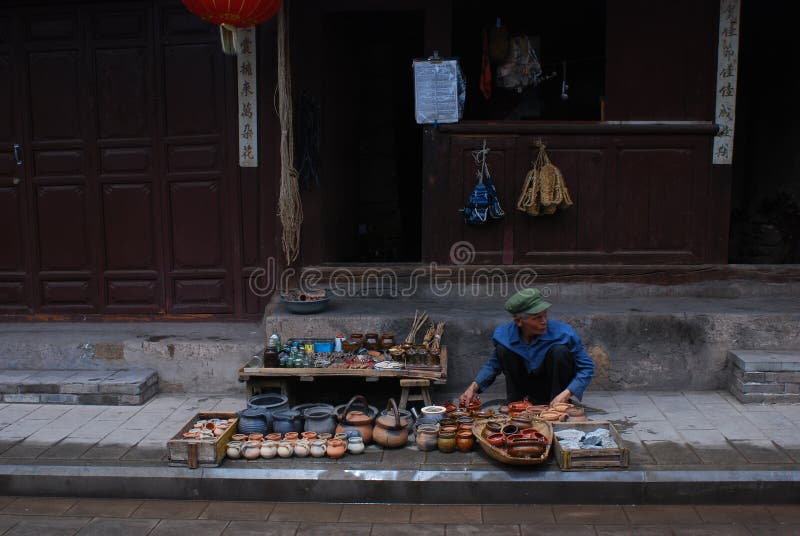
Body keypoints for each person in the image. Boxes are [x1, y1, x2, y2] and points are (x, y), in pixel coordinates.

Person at [459, 288, 594, 406]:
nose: (544, 321)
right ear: (519, 321)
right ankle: (517, 405)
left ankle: (557, 406)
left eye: (545, 314)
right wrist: (472, 388)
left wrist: (567, 393)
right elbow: (493, 366)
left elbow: (586, 367)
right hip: (523, 389)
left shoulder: (564, 333)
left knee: (560, 351)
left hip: (553, 389)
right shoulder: (505, 335)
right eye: (537, 317)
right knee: (503, 350)